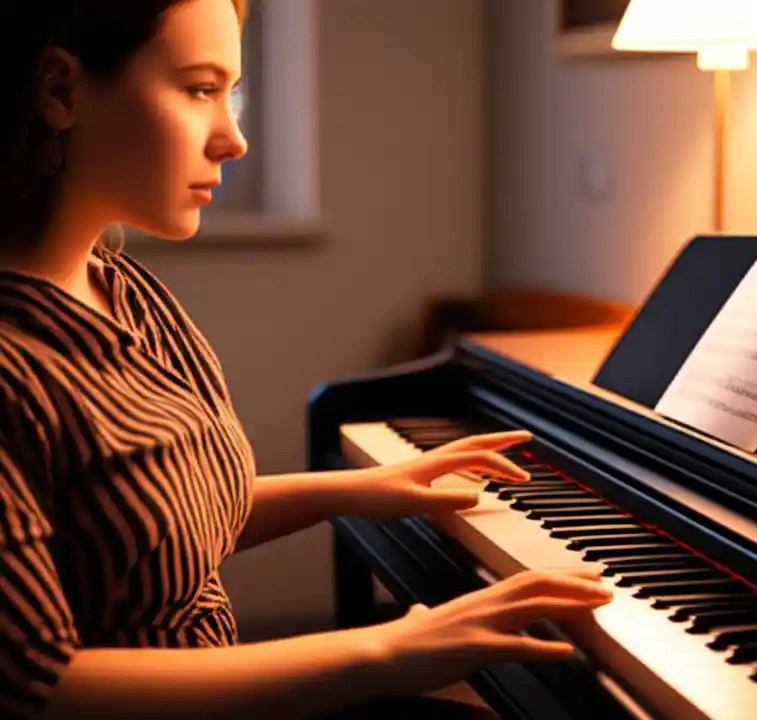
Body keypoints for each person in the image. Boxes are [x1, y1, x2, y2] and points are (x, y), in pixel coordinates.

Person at [0, 1, 613, 718]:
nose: (234, 139)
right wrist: (387, 651)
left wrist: (359, 488)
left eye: (229, 93)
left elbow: (156, 518)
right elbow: (37, 688)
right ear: (61, 92)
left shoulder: (125, 290)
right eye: (199, 89)